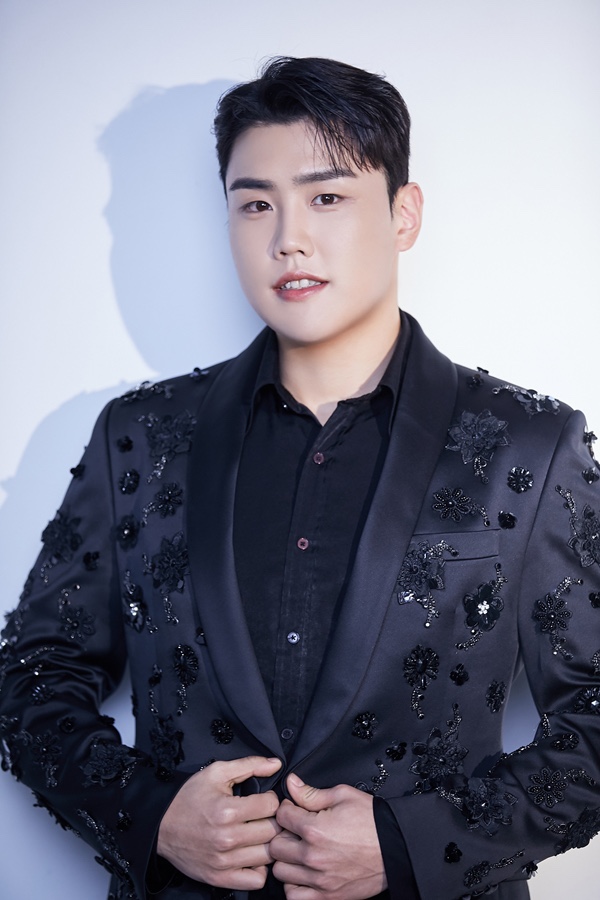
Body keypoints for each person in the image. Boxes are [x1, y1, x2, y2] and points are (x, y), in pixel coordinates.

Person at [1, 56, 599, 900]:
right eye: (255, 204)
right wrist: (152, 816)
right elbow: (32, 676)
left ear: (403, 213)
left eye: (326, 198)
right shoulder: (139, 437)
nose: (288, 237)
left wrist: (408, 845)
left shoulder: (527, 444)